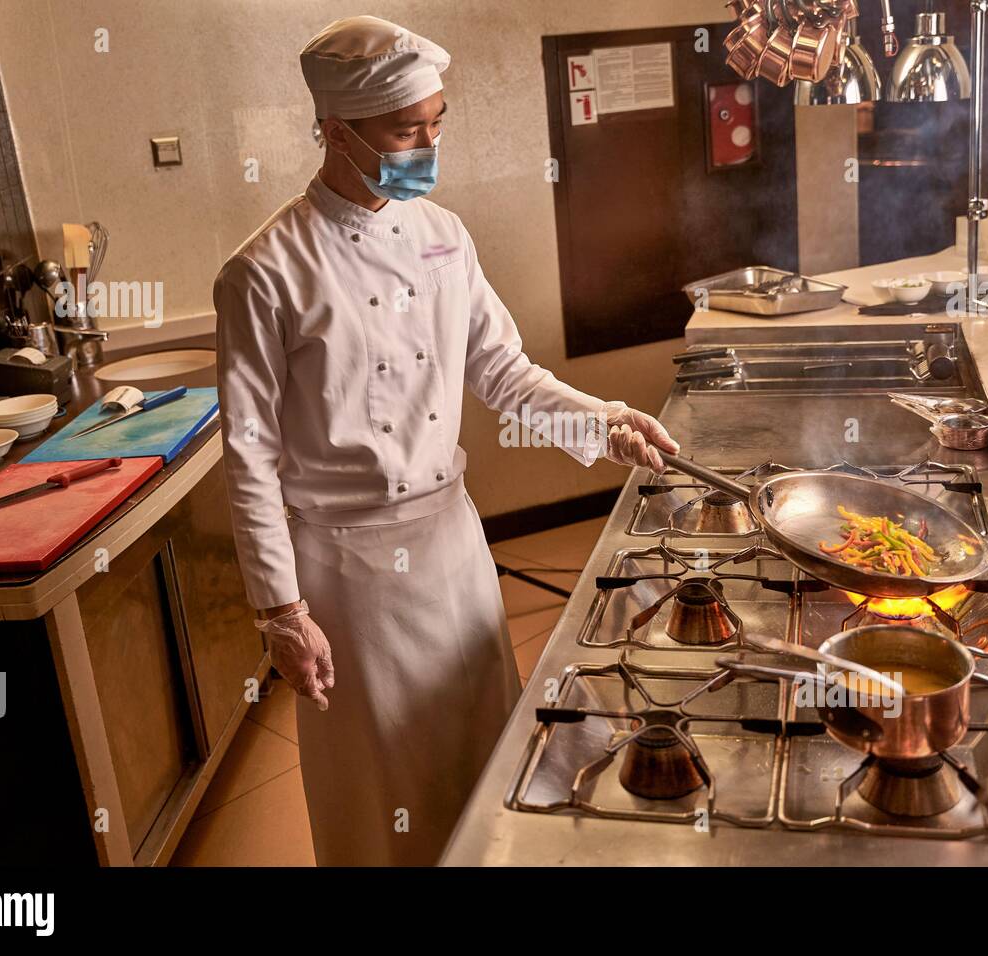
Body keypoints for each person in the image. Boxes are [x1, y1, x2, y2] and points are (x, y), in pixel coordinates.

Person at [213, 15, 678, 866]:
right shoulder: (264, 271)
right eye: (405, 130)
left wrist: (601, 422)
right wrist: (279, 610)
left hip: (451, 547)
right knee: (384, 778)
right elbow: (247, 454)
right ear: (336, 132)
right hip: (350, 572)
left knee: (481, 746)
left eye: (436, 124)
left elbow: (503, 371)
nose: (427, 145)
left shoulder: (442, 235)